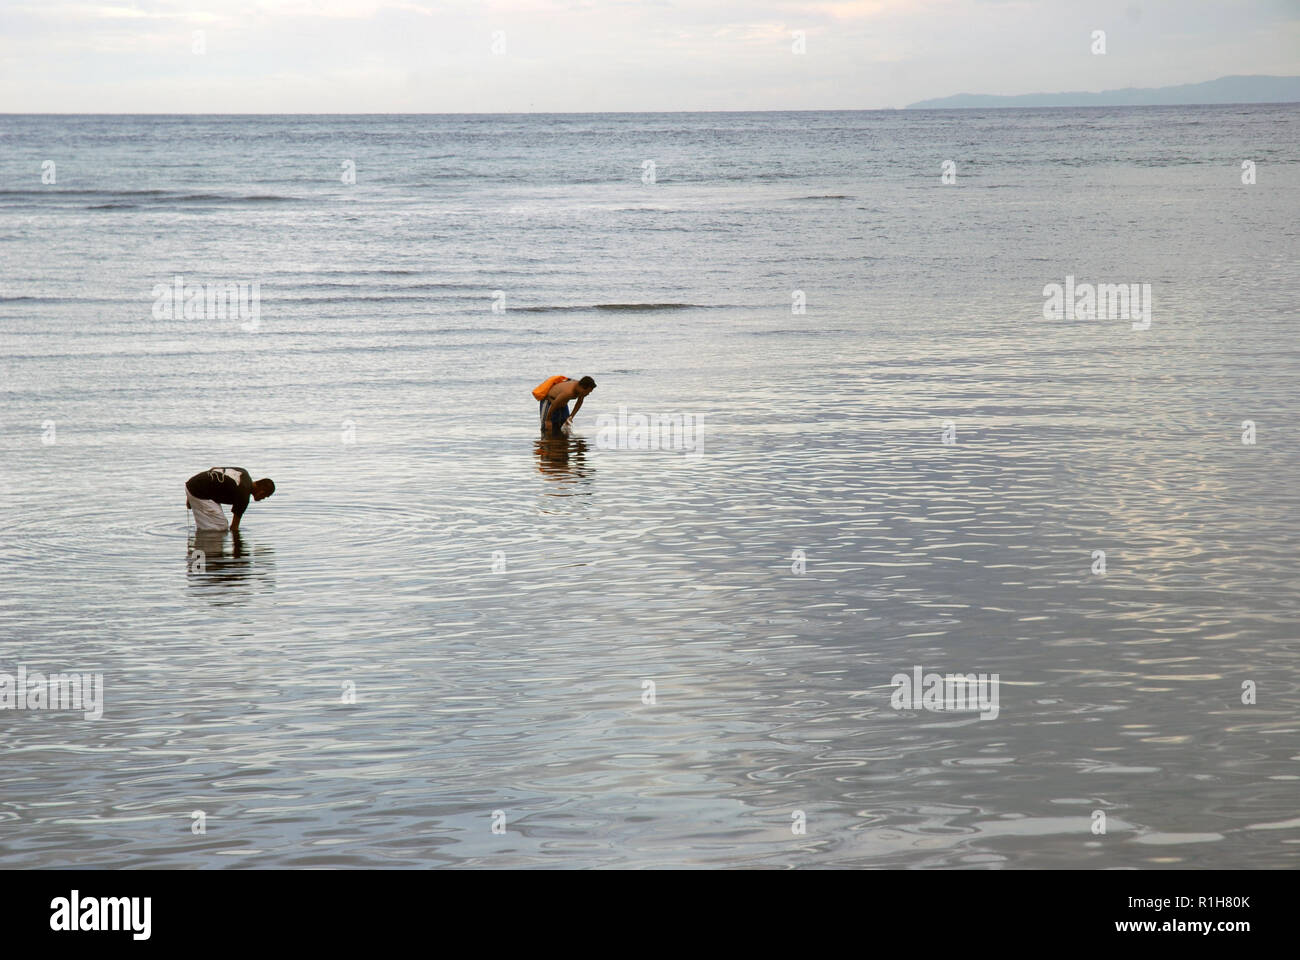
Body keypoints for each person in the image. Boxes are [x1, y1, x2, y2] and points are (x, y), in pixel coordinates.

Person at [185, 467, 274, 533]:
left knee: (216, 524)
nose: (263, 499)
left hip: (193, 482)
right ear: (262, 492)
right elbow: (234, 527)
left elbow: (214, 469)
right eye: (265, 496)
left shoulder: (244, 472)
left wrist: (189, 499)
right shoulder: (243, 496)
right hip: (198, 492)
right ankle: (210, 552)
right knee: (220, 527)